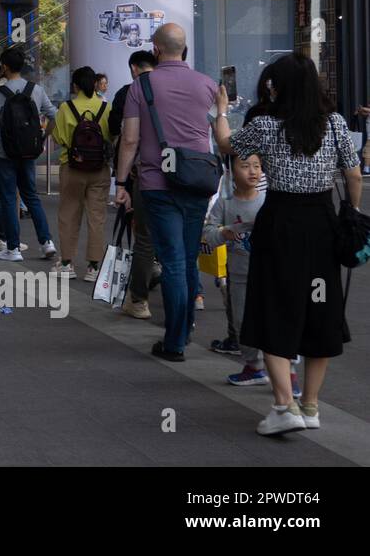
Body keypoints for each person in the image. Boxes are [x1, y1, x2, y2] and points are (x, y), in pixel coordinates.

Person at [211, 52, 360, 436]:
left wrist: (221, 111)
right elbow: (354, 173)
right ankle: (310, 406)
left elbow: (227, 145)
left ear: (280, 87)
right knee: (319, 309)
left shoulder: (265, 125)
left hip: (280, 223)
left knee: (274, 306)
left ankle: (284, 406)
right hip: (322, 224)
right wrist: (353, 211)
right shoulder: (336, 123)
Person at [115, 23, 219, 362]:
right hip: (199, 181)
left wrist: (120, 183)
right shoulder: (208, 85)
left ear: (156, 49)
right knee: (187, 260)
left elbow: (129, 139)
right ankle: (185, 328)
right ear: (184, 47)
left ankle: (174, 342)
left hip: (158, 184)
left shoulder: (141, 85)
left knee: (173, 261)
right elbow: (220, 135)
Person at [201, 153, 276, 384]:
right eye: (245, 166)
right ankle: (253, 367)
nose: (253, 171)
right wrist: (223, 233)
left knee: (273, 321)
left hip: (269, 274)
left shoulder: (268, 201)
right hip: (239, 274)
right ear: (231, 172)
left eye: (257, 166)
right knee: (241, 321)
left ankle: (285, 371)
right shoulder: (226, 202)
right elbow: (208, 233)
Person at [0, 46, 57, 261]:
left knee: (8, 198)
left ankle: (13, 248)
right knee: (31, 196)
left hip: (4, 153)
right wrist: (43, 138)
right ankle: (46, 242)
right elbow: (53, 115)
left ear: (4, 67)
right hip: (29, 152)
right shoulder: (36, 89)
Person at [51, 66, 114, 279]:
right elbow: (112, 137)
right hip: (99, 169)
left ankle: (67, 264)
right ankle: (94, 267)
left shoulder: (65, 108)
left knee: (69, 214)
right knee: (97, 217)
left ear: (75, 86)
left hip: (72, 167)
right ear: (96, 85)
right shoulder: (106, 107)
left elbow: (59, 138)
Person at [110, 50, 158, 319]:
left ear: (133, 68)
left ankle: (139, 301)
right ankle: (192, 298)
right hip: (185, 175)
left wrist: (120, 183)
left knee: (144, 237)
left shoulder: (133, 90)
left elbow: (127, 139)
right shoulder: (196, 85)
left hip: (146, 175)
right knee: (180, 241)